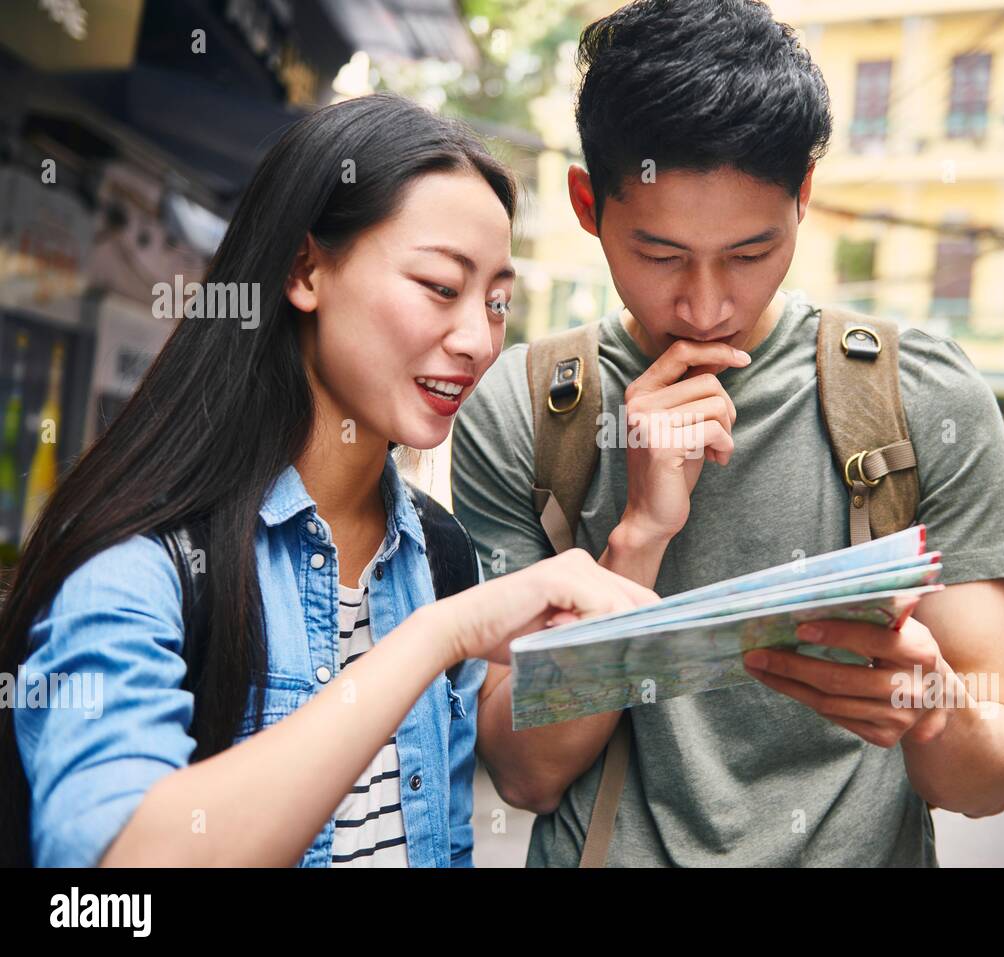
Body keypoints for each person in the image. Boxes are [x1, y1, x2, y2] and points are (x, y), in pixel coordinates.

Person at [0, 93, 656, 868]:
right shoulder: (147, 556)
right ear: (305, 269)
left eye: (498, 302)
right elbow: (118, 865)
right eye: (442, 288)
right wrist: (436, 637)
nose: (479, 339)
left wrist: (642, 531)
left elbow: (528, 775)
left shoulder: (436, 553)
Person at [452, 0, 1004, 867]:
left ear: (803, 196)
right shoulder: (526, 410)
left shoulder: (920, 397)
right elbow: (523, 773)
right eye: (661, 255)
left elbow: (988, 781)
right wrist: (639, 538)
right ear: (586, 203)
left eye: (751, 253)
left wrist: (936, 710)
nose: (707, 303)